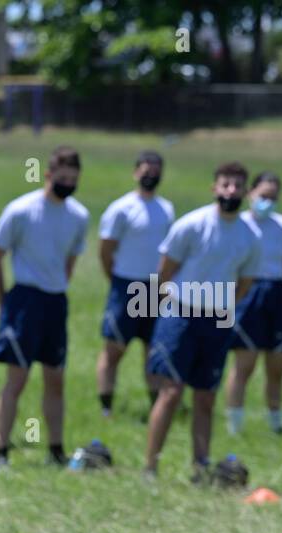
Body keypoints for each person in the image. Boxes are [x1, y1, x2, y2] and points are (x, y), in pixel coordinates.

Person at [144, 161, 261, 478]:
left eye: (238, 185)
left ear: (246, 191)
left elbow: (245, 282)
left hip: (217, 318)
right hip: (180, 313)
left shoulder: (250, 236)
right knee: (170, 392)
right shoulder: (192, 224)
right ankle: (150, 466)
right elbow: (165, 271)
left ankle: (201, 466)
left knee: (206, 396)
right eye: (226, 184)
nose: (231, 190)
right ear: (214, 188)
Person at [0, 146, 89, 474]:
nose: (67, 184)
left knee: (55, 379)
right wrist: (5, 301)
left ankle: (56, 450)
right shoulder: (21, 210)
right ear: (48, 175)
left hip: (55, 302)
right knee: (16, 380)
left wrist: (55, 286)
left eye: (73, 180)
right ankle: (0, 451)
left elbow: (70, 261)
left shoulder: (79, 216)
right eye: (62, 178)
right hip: (24, 300)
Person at [95, 150, 174, 417]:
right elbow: (105, 249)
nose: (150, 175)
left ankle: (155, 405)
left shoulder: (166, 208)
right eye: (145, 169)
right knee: (114, 348)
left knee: (153, 349)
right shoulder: (121, 209)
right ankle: (106, 407)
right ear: (135, 172)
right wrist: (115, 280)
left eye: (155, 171)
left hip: (154, 286)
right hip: (126, 285)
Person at [225, 171, 282, 435]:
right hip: (247, 293)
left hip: (275, 292)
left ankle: (276, 424)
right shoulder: (239, 224)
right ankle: (234, 426)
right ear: (250, 194)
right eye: (263, 196)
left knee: (276, 365)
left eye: (273, 197)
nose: (268, 202)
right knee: (245, 364)